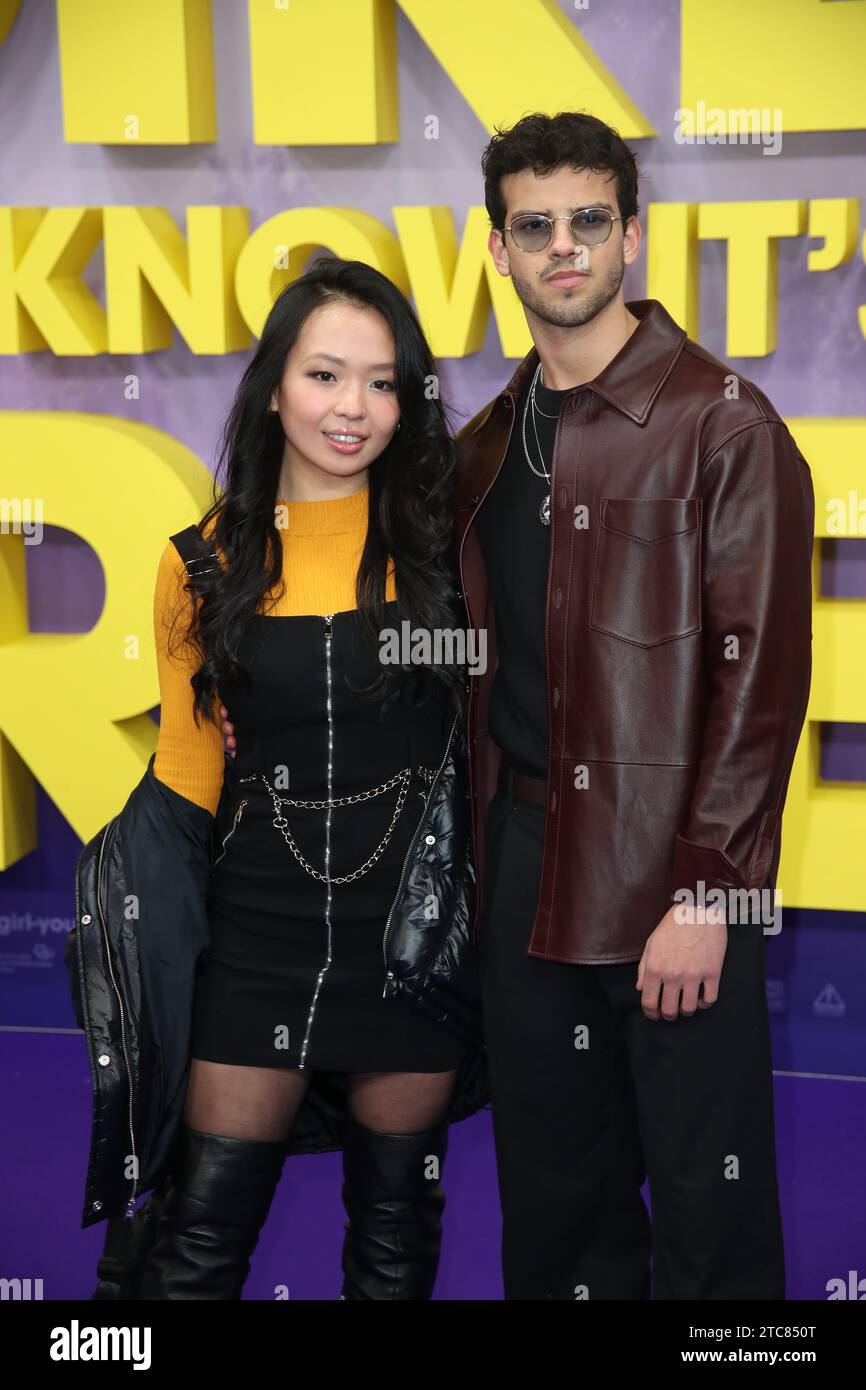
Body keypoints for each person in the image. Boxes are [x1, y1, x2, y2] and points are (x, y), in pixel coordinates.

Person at [224, 112, 815, 1300]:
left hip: (671, 879)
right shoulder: (485, 445)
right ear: (496, 249)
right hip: (519, 873)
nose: (562, 247)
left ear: (630, 237)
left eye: (586, 221)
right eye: (533, 225)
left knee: (711, 1213)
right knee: (555, 1204)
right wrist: (264, 694)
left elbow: (757, 685)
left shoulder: (722, 425)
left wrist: (707, 890)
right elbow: (443, 646)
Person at [137, 255, 483, 1300]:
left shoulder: (445, 552)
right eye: (326, 375)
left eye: (383, 383)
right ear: (274, 383)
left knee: (393, 1240)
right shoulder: (197, 563)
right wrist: (146, 956)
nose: (354, 408)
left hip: (412, 944)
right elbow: (188, 770)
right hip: (256, 941)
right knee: (197, 1242)